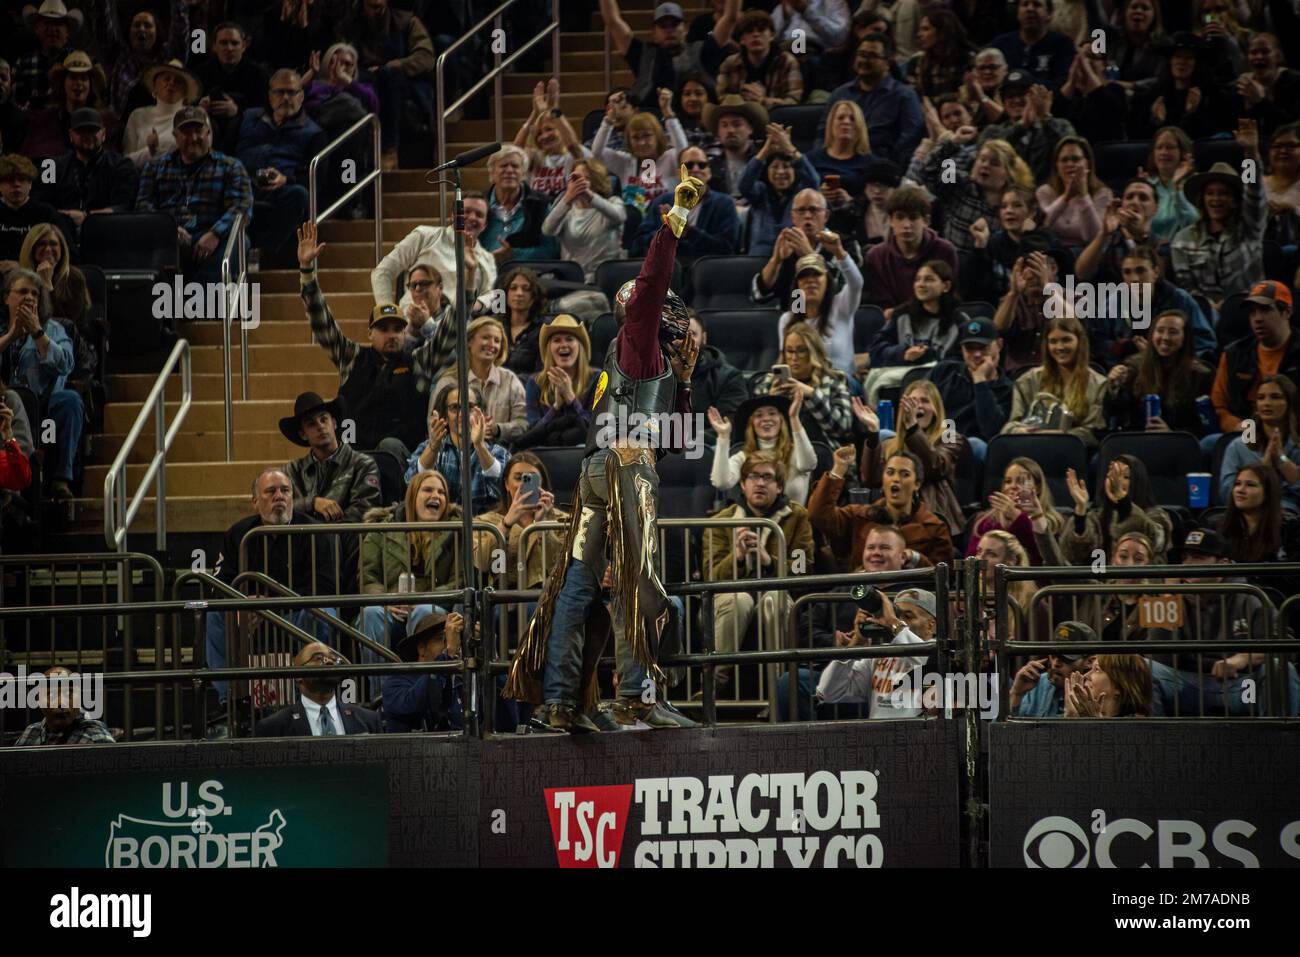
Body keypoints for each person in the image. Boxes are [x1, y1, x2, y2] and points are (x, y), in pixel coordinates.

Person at [504, 168, 706, 733]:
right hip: (626, 467)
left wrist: (686, 383)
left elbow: (675, 442)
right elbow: (650, 279)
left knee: (577, 584)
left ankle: (564, 700)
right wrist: (675, 221)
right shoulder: (638, 341)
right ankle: (637, 695)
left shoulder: (643, 367)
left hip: (600, 467)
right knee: (640, 576)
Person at [298, 222, 454, 458]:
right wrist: (307, 270)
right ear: (370, 333)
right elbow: (321, 322)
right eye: (383, 329)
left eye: (396, 329)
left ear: (405, 332)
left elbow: (449, 334)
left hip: (402, 462)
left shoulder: (419, 362)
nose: (391, 335)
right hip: (354, 459)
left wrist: (469, 283)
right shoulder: (351, 357)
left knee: (390, 446)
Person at [205, 468, 339, 707]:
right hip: (252, 616)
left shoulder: (315, 531)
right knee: (216, 615)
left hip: (296, 612)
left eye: (285, 491)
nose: (279, 496)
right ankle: (230, 703)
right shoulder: (238, 533)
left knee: (325, 614)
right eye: (270, 491)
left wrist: (271, 605)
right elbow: (220, 583)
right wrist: (240, 606)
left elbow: (326, 586)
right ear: (255, 501)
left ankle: (311, 697)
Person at [702, 451, 815, 694]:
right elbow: (710, 577)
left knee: (773, 600)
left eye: (768, 477)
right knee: (738, 600)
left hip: (776, 597)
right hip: (730, 599)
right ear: (742, 484)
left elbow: (803, 570)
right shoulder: (722, 520)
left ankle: (780, 692)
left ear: (780, 486)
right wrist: (738, 558)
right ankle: (714, 687)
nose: (760, 483)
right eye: (753, 476)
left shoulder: (797, 517)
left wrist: (769, 562)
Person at [773, 524, 910, 721]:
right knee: (790, 682)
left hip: (893, 678)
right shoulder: (842, 589)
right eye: (871, 548)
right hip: (841, 676)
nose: (876, 553)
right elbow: (805, 629)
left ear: (903, 557)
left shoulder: (914, 596)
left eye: (885, 548)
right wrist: (834, 643)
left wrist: (893, 627)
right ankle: (799, 749)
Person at [133, 106, 252, 285]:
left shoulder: (231, 166)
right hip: (169, 236)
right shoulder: (155, 167)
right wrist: (168, 228)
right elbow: (143, 205)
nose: (193, 138)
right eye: (186, 132)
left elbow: (241, 207)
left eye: (198, 131)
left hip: (211, 234)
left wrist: (215, 233)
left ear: (208, 133)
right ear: (175, 135)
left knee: (240, 241)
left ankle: (204, 308)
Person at [359, 469, 464, 671]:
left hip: (435, 606)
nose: (435, 496)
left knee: (425, 611)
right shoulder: (382, 529)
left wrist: (423, 598)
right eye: (428, 490)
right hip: (392, 607)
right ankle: (380, 697)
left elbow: (459, 581)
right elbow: (368, 576)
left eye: (441, 492)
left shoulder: (457, 532)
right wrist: (387, 600)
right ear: (412, 496)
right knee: (371, 614)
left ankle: (428, 689)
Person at [0, 268, 80, 501]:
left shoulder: (54, 329)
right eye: (22, 291)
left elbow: (65, 364)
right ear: (6, 297)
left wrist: (37, 333)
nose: (29, 297)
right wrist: (11, 336)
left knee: (70, 400)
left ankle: (61, 482)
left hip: (44, 422)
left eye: (35, 294)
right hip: (6, 413)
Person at [809, 445, 954, 570]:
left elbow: (944, 579)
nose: (896, 479)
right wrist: (839, 468)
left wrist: (915, 559)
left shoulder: (934, 527)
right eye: (890, 473)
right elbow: (818, 515)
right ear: (883, 482)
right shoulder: (859, 516)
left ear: (917, 484)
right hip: (861, 595)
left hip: (912, 597)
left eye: (905, 474)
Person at [235, 69, 325, 266]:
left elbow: (316, 178)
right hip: (241, 183)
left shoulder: (313, 132)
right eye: (279, 92)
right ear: (270, 96)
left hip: (281, 189)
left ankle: (262, 252)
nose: (285, 97)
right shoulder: (247, 118)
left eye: (291, 92)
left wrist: (286, 179)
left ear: (301, 96)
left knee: (299, 194)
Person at [1171, 127, 1266, 313]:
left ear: (1235, 201)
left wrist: (1250, 153)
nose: (1216, 199)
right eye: (1210, 194)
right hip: (1204, 314)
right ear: (1202, 199)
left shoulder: (1249, 228)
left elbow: (1254, 190)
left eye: (1223, 194)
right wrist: (1210, 306)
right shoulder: (1183, 240)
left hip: (1249, 312)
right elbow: (1186, 286)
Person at [857, 383, 967, 535]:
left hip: (933, 521)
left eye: (925, 401)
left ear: (936, 409)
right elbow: (871, 479)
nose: (918, 406)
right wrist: (873, 433)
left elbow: (936, 466)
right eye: (913, 401)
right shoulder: (890, 444)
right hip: (892, 521)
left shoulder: (950, 437)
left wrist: (913, 429)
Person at [339, 0, 436, 171]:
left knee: (390, 77)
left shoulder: (406, 21)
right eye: (371, 7)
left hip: (399, 81)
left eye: (379, 7)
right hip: (363, 76)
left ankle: (390, 150)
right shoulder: (350, 25)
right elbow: (340, 54)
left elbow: (425, 57)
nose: (376, 10)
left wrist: (392, 66)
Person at [814, 588, 936, 718]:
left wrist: (894, 624)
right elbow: (827, 693)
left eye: (908, 616)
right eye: (897, 615)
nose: (901, 621)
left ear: (931, 625)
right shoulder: (880, 654)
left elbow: (926, 657)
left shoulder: (942, 652)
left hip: (921, 736)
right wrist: (852, 648)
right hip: (878, 736)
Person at [598, 0, 739, 109]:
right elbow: (612, 21)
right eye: (663, 26)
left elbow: (731, 18)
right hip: (651, 126)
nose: (669, 30)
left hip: (695, 125)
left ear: (684, 29)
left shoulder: (703, 51)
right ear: (654, 32)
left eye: (674, 25)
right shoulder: (641, 53)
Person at [370, 193, 495, 310]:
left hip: (459, 327)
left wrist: (475, 306)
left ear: (485, 225)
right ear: (453, 215)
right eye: (466, 211)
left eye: (479, 215)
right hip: (413, 322)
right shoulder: (424, 236)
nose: (472, 217)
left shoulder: (487, 258)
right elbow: (382, 272)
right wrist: (387, 313)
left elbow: (492, 295)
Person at [1104, 308, 1215, 435]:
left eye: (1173, 332)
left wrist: (1173, 433)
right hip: (1136, 440)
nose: (1165, 337)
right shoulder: (1133, 367)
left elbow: (1205, 424)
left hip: (1181, 443)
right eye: (1160, 331)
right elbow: (1116, 416)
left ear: (1185, 338)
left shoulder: (1201, 375)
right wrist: (1114, 389)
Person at [820, 33, 925, 167]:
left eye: (872, 56)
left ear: (888, 62)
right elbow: (823, 133)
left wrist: (885, 165)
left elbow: (910, 140)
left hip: (881, 167)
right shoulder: (840, 93)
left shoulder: (904, 96)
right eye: (861, 54)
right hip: (838, 163)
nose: (864, 60)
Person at [1003, 315, 1107, 448]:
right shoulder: (1028, 380)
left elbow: (1094, 432)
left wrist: (1061, 435)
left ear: (1080, 342)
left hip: (1073, 450)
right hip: (1033, 446)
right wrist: (1022, 431)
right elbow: (1011, 425)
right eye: (1053, 341)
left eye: (1066, 340)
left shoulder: (1098, 384)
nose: (1059, 347)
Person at [280, 391, 381, 527]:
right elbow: (278, 509)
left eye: (324, 419)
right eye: (311, 424)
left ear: (334, 423)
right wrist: (312, 503)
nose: (320, 426)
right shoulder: (292, 471)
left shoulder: (363, 465)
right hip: (303, 545)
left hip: (345, 544)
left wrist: (322, 536)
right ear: (303, 434)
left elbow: (363, 512)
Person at [1211, 280, 1300, 434]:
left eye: (1265, 310)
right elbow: (1219, 406)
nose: (1257, 318)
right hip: (1247, 434)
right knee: (1210, 445)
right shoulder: (1234, 355)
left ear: (1287, 312)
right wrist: (1243, 429)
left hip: (1294, 435)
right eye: (1252, 312)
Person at [404, 384, 509, 514]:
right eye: (455, 408)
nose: (462, 414)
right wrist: (433, 447)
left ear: (480, 413)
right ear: (445, 416)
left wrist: (480, 446)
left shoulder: (498, 453)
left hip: (483, 529)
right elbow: (411, 484)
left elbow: (503, 491)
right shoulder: (428, 448)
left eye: (469, 407)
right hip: (441, 527)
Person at [751, 187, 863, 308]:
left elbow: (842, 290)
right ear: (793, 217)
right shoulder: (786, 245)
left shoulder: (842, 244)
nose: (807, 216)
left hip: (833, 316)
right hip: (794, 317)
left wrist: (809, 255)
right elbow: (759, 295)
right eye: (801, 210)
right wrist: (776, 260)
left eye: (813, 210)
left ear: (826, 215)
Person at [921, 136, 1034, 254]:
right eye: (982, 159)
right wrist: (953, 142)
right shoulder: (960, 183)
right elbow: (928, 171)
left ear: (1008, 172)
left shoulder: (1015, 205)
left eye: (994, 163)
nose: (985, 165)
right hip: (952, 263)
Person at [630, 146, 741, 264]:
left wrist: (689, 231)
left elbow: (727, 248)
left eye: (702, 165)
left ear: (709, 172)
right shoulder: (661, 202)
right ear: (679, 173)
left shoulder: (724, 204)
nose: (696, 169)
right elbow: (638, 243)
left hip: (708, 272)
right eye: (689, 165)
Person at [473, 452, 566, 591]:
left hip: (546, 597)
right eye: (518, 478)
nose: (524, 484)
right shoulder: (485, 521)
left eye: (531, 479)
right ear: (506, 484)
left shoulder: (562, 521)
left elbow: (561, 565)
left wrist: (541, 525)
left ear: (542, 484)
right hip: (502, 599)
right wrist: (506, 523)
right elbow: (482, 563)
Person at [33, 108, 137, 229]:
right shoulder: (50, 166)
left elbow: (124, 207)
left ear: (103, 134)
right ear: (70, 135)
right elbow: (40, 204)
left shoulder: (123, 165)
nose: (87, 135)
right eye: (81, 131)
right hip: (59, 231)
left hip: (107, 230)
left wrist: (86, 217)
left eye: (93, 130)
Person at [754, 322, 855, 447]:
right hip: (779, 452)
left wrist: (812, 395)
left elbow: (842, 428)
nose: (794, 357)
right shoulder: (768, 383)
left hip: (822, 451)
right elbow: (753, 431)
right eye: (789, 351)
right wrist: (772, 401)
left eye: (801, 351)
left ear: (813, 352)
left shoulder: (833, 380)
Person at [866, 260, 965, 387]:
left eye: (929, 279)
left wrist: (929, 356)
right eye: (917, 280)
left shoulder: (959, 321)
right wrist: (903, 354)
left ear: (946, 286)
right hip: (902, 376)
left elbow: (961, 360)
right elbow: (876, 350)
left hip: (942, 381)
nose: (921, 284)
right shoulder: (902, 314)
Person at [431, 316, 528, 446]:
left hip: (500, 454)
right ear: (469, 342)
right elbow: (433, 423)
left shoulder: (510, 379)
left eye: (497, 340)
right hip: (456, 453)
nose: (492, 345)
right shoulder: (448, 381)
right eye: (486, 338)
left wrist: (497, 429)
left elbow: (523, 423)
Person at [930, 316, 1014, 462]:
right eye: (970, 348)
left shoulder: (1008, 389)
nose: (977, 354)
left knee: (974, 444)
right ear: (962, 349)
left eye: (983, 348)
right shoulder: (944, 371)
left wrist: (980, 382)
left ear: (999, 345)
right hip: (938, 440)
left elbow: (991, 432)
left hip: (976, 452)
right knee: (886, 435)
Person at [254, 642, 383, 736]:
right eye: (318, 658)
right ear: (298, 676)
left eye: (333, 659)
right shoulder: (273, 727)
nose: (329, 662)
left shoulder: (369, 720)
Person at [709, 393, 816, 505]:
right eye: (759, 415)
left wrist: (794, 418)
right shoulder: (743, 456)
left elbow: (808, 464)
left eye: (772, 413)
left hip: (792, 520)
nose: (766, 419)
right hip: (754, 520)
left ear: (781, 421)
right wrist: (723, 436)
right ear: (752, 424)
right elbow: (721, 482)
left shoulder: (797, 452)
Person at [1060, 457, 1173, 563]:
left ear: (1138, 481)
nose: (1115, 480)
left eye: (1125, 477)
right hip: (1099, 582)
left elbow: (1157, 541)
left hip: (1143, 582)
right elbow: (1073, 556)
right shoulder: (1095, 516)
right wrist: (1080, 512)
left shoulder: (1158, 516)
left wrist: (1123, 502)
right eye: (1111, 475)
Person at [1128, 32, 1237, 140]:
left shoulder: (1212, 95)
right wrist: (1157, 122)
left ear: (1197, 63)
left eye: (1188, 58)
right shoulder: (1155, 94)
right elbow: (1139, 136)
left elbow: (1214, 136)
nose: (1181, 62)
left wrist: (1191, 114)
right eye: (1177, 56)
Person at [594, 92, 688, 217]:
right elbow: (597, 154)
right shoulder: (625, 162)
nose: (642, 142)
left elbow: (685, 152)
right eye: (636, 138)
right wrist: (609, 119)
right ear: (629, 141)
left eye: (647, 135)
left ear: (658, 136)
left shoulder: (670, 158)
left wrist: (668, 113)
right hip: (634, 229)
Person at [93, 0, 192, 118]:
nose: (141, 29)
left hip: (161, 127)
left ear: (157, 32)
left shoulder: (167, 58)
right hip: (124, 130)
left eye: (148, 25)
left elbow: (180, 31)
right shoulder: (118, 57)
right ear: (129, 31)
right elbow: (103, 26)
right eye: (136, 25)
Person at [776, 244, 862, 379]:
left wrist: (839, 251)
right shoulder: (787, 319)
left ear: (827, 281)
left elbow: (856, 283)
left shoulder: (842, 306)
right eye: (804, 276)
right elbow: (787, 361)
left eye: (816, 274)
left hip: (842, 383)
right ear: (797, 285)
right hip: (803, 383)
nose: (810, 280)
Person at [991, 233, 1072, 376]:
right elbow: (998, 328)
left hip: (1060, 373)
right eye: (1024, 268)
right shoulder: (1012, 301)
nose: (1029, 274)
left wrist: (1048, 285)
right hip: (1017, 376)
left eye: (1035, 267)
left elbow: (1072, 322)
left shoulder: (1073, 298)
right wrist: (1013, 293)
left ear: (1053, 269)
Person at [517, 314, 600, 449]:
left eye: (569, 339)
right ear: (549, 348)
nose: (563, 345)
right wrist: (556, 407)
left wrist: (571, 399)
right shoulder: (535, 383)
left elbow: (596, 429)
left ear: (579, 346)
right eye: (557, 340)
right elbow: (532, 434)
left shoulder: (598, 379)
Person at [1218, 376, 1300, 511]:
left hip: (1288, 511)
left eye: (1275, 397)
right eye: (1261, 398)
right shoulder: (1239, 446)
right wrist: (1263, 470)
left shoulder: (1297, 445)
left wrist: (1281, 459)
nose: (1266, 403)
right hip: (1244, 511)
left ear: (1290, 403)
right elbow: (1226, 493)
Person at [975, 71, 1074, 182]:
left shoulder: (1060, 125)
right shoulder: (993, 132)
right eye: (1010, 96)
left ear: (1035, 97)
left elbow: (1070, 151)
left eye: (1022, 94)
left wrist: (1045, 118)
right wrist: (1022, 125)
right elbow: (986, 156)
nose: (1017, 100)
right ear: (1003, 102)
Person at [539, 157, 626, 282]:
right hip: (573, 280)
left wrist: (589, 195)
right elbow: (548, 230)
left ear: (597, 180)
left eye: (586, 178)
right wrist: (567, 199)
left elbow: (619, 216)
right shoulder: (566, 208)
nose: (580, 183)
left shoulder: (613, 202)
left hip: (606, 279)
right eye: (575, 179)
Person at [739, 123, 819, 257]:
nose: (780, 172)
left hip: (793, 259)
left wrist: (789, 148)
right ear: (767, 171)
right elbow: (743, 185)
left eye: (786, 166)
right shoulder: (760, 192)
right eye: (775, 167)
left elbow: (814, 181)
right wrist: (765, 151)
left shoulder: (802, 194)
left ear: (795, 171)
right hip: (759, 261)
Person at [966, 457, 1063, 565]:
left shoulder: (1052, 522)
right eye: (1008, 481)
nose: (1012, 486)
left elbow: (1041, 562)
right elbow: (971, 561)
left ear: (1038, 487)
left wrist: (1019, 518)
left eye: (1021, 481)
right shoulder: (985, 521)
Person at [19, 50, 113, 162]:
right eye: (73, 77)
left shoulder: (105, 121)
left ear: (91, 85)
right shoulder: (43, 120)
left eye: (83, 78)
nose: (78, 83)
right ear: (62, 83)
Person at [382, 611, 465, 732]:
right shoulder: (395, 682)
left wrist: (490, 653)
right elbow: (416, 704)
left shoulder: (461, 681)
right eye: (442, 639)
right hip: (417, 750)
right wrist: (448, 653)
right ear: (422, 648)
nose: (450, 643)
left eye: (454, 639)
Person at [194, 22, 270, 150]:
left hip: (245, 130)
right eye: (223, 43)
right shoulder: (200, 73)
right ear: (214, 46)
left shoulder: (259, 75)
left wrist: (238, 111)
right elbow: (189, 105)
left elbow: (265, 109)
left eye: (234, 43)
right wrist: (200, 108)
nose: (229, 48)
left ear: (244, 46)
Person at [478, 145, 559, 265]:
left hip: (525, 275)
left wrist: (514, 254)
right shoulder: (478, 204)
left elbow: (552, 250)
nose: (510, 170)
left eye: (515, 166)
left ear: (523, 174)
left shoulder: (540, 205)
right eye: (503, 166)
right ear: (492, 174)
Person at [959, 184, 1039, 303]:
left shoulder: (1045, 242)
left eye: (1017, 205)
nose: (1009, 211)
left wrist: (1028, 239)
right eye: (1003, 206)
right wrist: (979, 248)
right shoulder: (992, 243)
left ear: (1031, 212)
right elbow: (971, 291)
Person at [808, 100, 890, 210]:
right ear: (831, 124)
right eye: (840, 118)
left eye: (852, 119)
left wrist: (850, 201)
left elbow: (874, 202)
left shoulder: (872, 164)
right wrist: (817, 194)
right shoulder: (811, 160)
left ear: (860, 127)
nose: (846, 122)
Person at [17, 223, 88, 351]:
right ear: (31, 248)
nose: (48, 249)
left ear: (62, 248)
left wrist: (47, 286)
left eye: (53, 244)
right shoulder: (19, 279)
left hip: (67, 345)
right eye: (42, 244)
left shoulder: (74, 278)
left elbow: (67, 326)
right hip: (27, 344)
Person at [514, 78, 589, 198]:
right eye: (539, 133)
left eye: (549, 129)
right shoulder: (535, 158)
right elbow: (514, 152)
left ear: (560, 129)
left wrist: (554, 109)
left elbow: (572, 145)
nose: (544, 136)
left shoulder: (572, 156)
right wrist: (534, 114)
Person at [0, 153, 76, 269]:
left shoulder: (46, 213)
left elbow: (70, 255)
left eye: (22, 179)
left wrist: (23, 266)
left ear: (30, 184)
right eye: (10, 180)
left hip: (37, 276)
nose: (16, 185)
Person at [1034, 136, 1111, 250]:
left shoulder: (1102, 194)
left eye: (1076, 159)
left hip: (1087, 253)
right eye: (1064, 160)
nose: (1070, 164)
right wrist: (1066, 196)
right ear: (1057, 166)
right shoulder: (1044, 192)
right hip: (1051, 252)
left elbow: (1094, 237)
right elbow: (1041, 227)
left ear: (1087, 164)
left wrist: (1083, 196)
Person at [715, 10, 803, 109]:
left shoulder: (787, 61)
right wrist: (743, 100)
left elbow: (793, 102)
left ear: (771, 36)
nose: (755, 35)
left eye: (761, 30)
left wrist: (763, 101)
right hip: (740, 118)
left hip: (776, 119)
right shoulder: (729, 64)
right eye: (749, 31)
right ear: (742, 40)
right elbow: (721, 98)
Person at [121, 59, 198, 168]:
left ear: (185, 92)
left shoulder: (194, 115)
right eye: (166, 79)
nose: (171, 83)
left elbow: (200, 155)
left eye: (177, 81)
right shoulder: (138, 115)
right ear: (155, 88)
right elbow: (126, 162)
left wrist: (158, 152)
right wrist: (150, 152)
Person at [1218, 463, 1300, 566]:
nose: (1240, 490)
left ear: (1268, 492)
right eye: (1237, 484)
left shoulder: (1291, 528)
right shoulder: (1217, 526)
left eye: (1250, 485)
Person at [1009, 620, 1093, 716]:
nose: (1055, 663)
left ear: (1089, 662)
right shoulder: (1038, 683)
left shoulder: (1096, 693)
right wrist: (1016, 693)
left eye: (1066, 657)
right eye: (1053, 655)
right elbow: (1001, 729)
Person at [14, 666, 114, 745]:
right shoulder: (32, 732)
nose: (61, 703)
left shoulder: (95, 737)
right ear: (38, 700)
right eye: (51, 695)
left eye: (68, 693)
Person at [684, 313, 747, 437]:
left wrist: (686, 443)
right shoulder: (658, 375)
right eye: (680, 334)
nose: (686, 342)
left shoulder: (729, 377)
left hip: (705, 449)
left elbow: (730, 426)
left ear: (704, 338)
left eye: (692, 334)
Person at [990, 0, 1077, 87]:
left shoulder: (1063, 44)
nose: (1030, 9)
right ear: (1017, 13)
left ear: (1049, 14)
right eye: (1025, 4)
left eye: (1037, 5)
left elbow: (1063, 83)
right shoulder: (1000, 44)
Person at [1142, 126, 1198, 242]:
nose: (1163, 152)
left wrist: (1176, 188)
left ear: (1183, 153)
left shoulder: (1196, 183)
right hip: (1153, 251)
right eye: (1159, 147)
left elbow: (1193, 220)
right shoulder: (1147, 187)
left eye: (1170, 147)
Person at [1239, 34, 1300, 139]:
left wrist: (1261, 102)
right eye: (1253, 53)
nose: (1259, 56)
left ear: (1278, 56)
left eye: (1265, 52)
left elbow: (1289, 125)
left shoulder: (1295, 81)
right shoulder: (1242, 85)